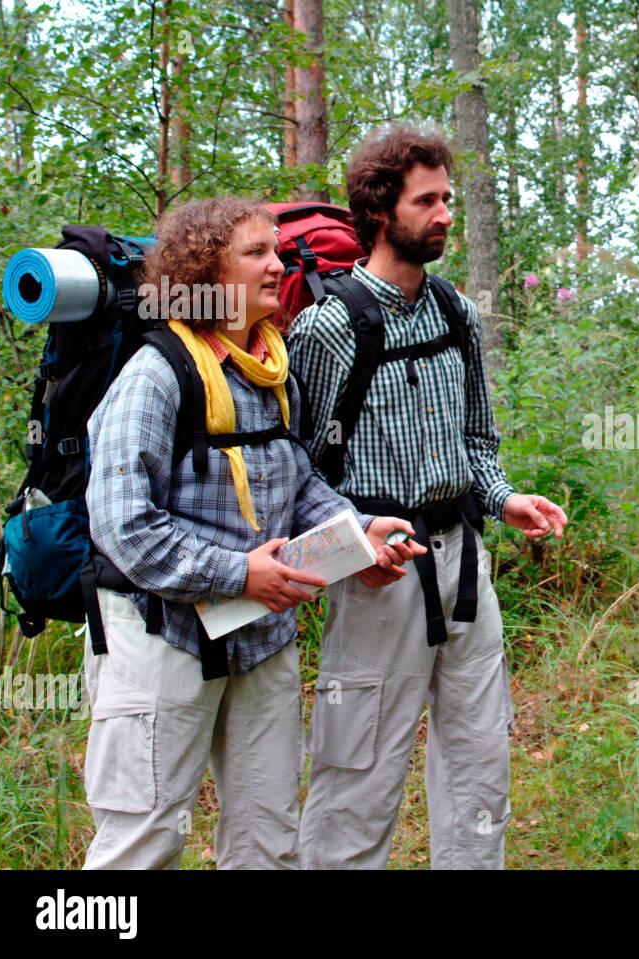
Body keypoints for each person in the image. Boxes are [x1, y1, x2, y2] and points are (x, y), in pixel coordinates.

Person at [83, 197, 419, 869]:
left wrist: (359, 530)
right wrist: (240, 573)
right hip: (161, 634)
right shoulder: (155, 375)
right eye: (256, 253)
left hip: (261, 636)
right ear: (206, 273)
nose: (278, 265)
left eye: (276, 250)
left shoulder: (270, 366)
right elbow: (121, 523)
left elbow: (295, 485)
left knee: (268, 839)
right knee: (143, 841)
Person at [290, 126, 567, 870]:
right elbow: (298, 471)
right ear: (381, 211)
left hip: (466, 567)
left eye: (447, 197)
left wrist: (505, 499)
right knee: (357, 774)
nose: (445, 213)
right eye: (428, 201)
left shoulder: (456, 313)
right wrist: (353, 541)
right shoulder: (326, 328)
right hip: (378, 578)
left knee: (481, 766)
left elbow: (478, 441)